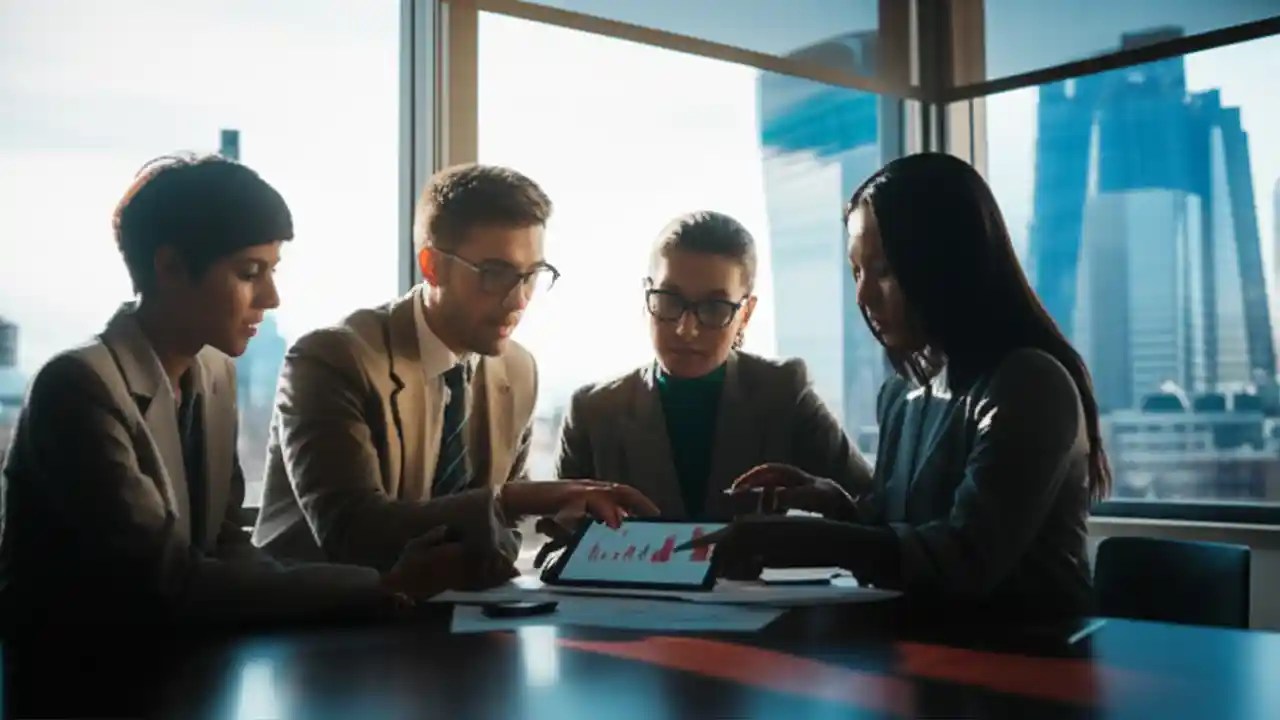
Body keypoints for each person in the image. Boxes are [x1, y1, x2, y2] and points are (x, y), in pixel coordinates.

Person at [0, 154, 477, 631]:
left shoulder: (213, 375)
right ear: (170, 268)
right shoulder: (78, 387)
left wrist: (379, 586)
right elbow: (166, 578)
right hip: (74, 666)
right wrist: (381, 584)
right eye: (250, 273)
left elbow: (226, 543)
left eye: (272, 271)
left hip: (180, 658)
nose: (271, 297)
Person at [694, 154, 1111, 619]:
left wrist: (809, 541)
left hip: (1029, 651)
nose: (863, 296)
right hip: (924, 646)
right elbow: (904, 533)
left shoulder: (1029, 384)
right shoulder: (903, 393)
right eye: (857, 271)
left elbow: (965, 558)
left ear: (946, 262)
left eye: (884, 270)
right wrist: (836, 504)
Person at [253, 163, 658, 572]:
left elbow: (503, 536)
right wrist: (511, 502)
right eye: (495, 274)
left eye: (532, 275)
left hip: (455, 603)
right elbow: (353, 532)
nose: (519, 300)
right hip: (324, 605)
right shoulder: (333, 359)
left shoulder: (517, 370)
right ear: (432, 266)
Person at [555, 211, 871, 520]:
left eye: (715, 308)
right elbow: (557, 537)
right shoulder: (593, 413)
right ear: (647, 296)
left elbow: (870, 503)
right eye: (669, 300)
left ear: (745, 314)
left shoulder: (783, 393)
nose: (686, 329)